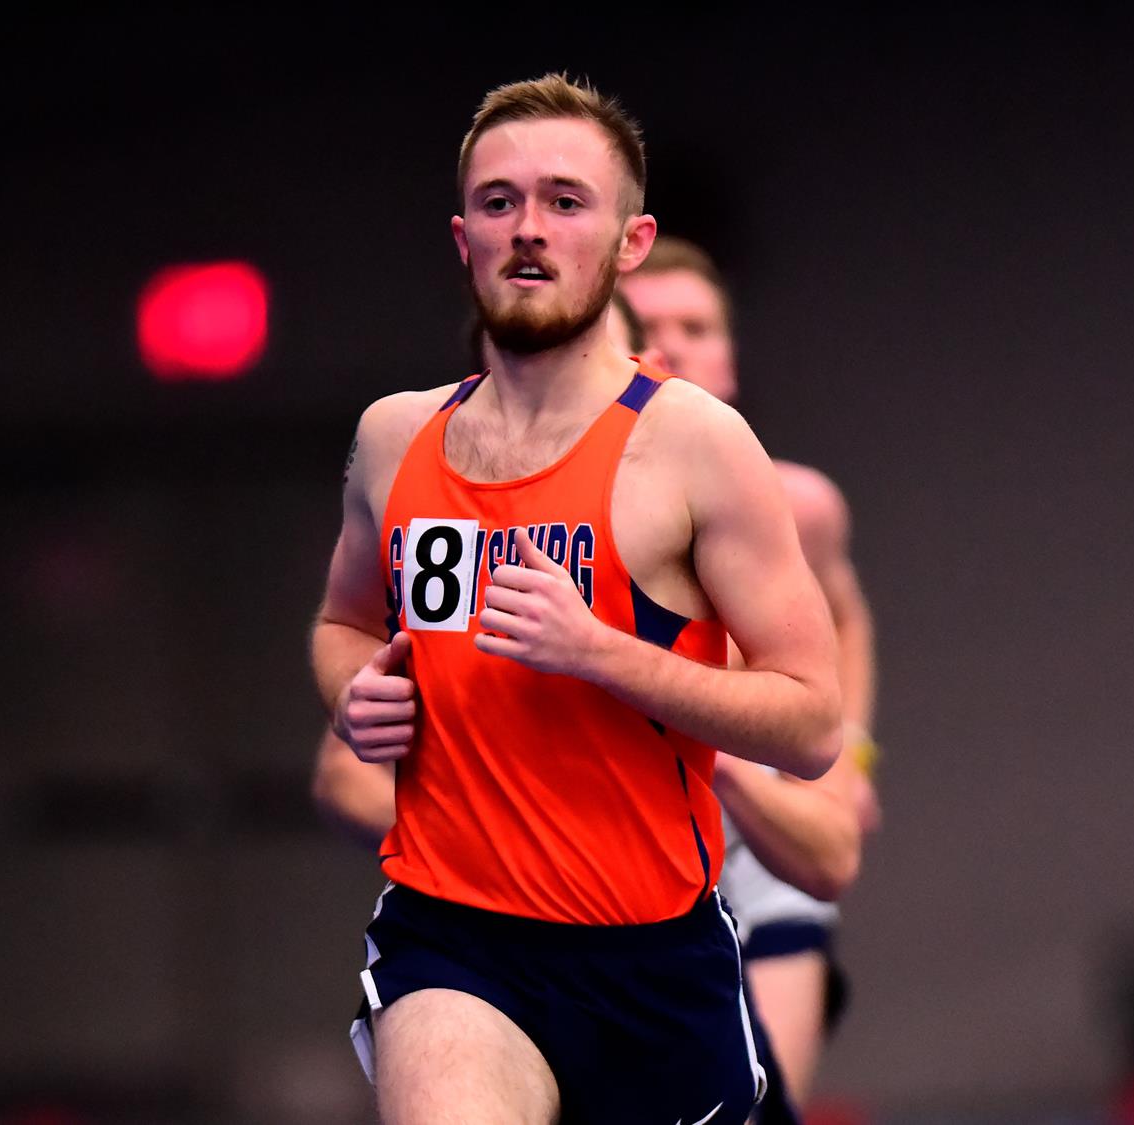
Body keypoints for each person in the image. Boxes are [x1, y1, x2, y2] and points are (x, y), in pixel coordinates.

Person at [311, 74, 842, 1125]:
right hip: (453, 939)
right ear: (462, 238)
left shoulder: (693, 444)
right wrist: (354, 694)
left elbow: (813, 724)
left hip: (652, 961)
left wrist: (601, 651)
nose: (528, 228)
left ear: (630, 243)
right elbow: (343, 624)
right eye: (498, 202)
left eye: (564, 201)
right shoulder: (394, 438)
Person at [621, 235, 881, 1111]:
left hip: (753, 829)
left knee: (772, 1105)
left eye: (697, 327)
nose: (674, 344)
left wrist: (849, 758)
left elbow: (846, 615)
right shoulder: (573, 506)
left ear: (729, 359)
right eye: (649, 326)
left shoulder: (800, 504)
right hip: (628, 841)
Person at [309, 291, 661, 851]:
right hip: (447, 893)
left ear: (645, 367)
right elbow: (346, 639)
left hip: (656, 879)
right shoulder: (410, 462)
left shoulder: (708, 487)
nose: (554, 380)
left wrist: (600, 654)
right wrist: (355, 697)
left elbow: (800, 727)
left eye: (587, 357)